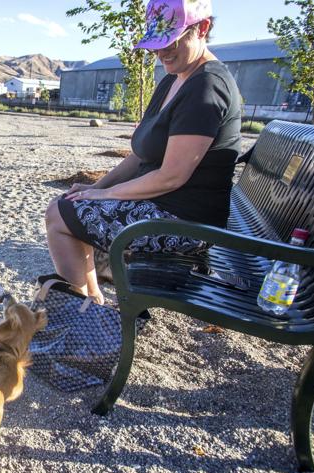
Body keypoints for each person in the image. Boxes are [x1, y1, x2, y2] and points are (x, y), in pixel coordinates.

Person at [45, 0, 241, 304]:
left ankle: (87, 307)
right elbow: (138, 155)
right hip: (163, 207)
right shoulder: (174, 79)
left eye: (170, 41)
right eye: (155, 44)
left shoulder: (207, 87)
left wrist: (107, 195)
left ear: (202, 28)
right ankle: (92, 305)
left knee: (59, 215)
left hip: (185, 223)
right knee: (69, 203)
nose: (160, 52)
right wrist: (97, 187)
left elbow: (172, 176)